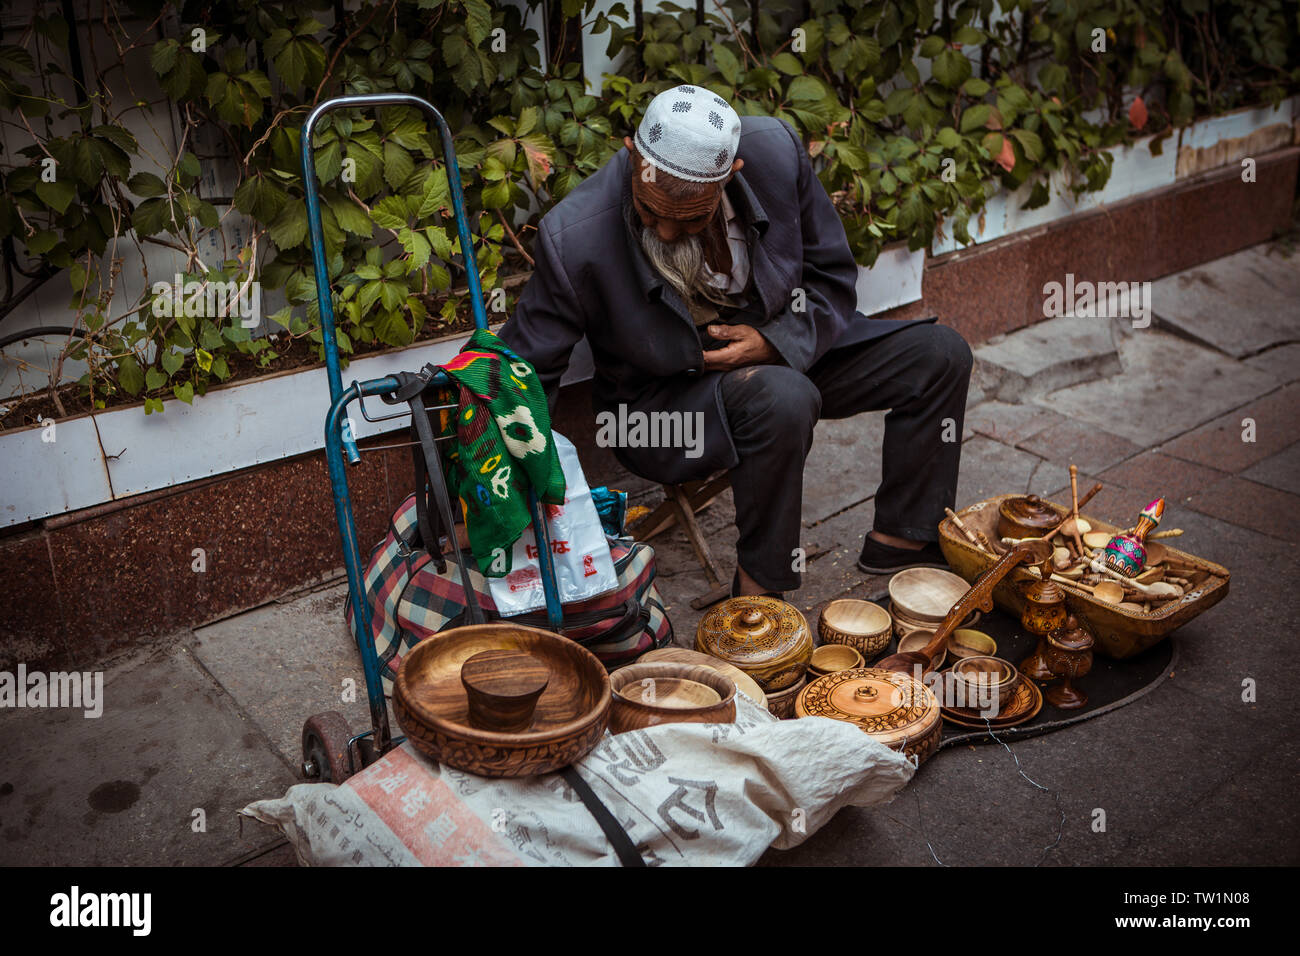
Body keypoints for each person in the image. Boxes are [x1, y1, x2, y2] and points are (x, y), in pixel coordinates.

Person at [500, 84, 972, 597]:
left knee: (940, 355)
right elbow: (523, 369)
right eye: (650, 211)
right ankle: (758, 598)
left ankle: (902, 538)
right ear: (635, 157)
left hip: (780, 350)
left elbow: (831, 279)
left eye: (690, 219)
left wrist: (775, 342)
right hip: (661, 409)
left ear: (731, 174)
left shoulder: (776, 151)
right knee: (781, 399)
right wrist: (509, 496)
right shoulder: (574, 236)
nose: (667, 233)